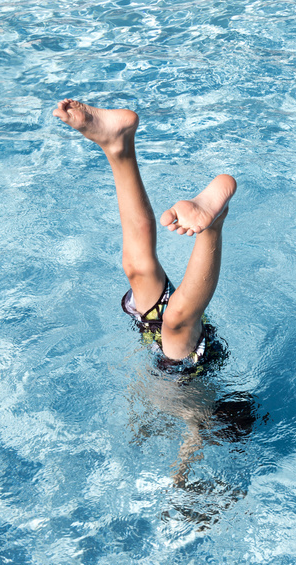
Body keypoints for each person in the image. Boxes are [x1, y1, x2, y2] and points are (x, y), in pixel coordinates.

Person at [52, 98, 237, 374]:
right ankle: (214, 224)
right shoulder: (204, 417)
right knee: (177, 322)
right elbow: (197, 415)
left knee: (138, 267)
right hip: (194, 374)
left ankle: (118, 147)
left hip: (156, 341)